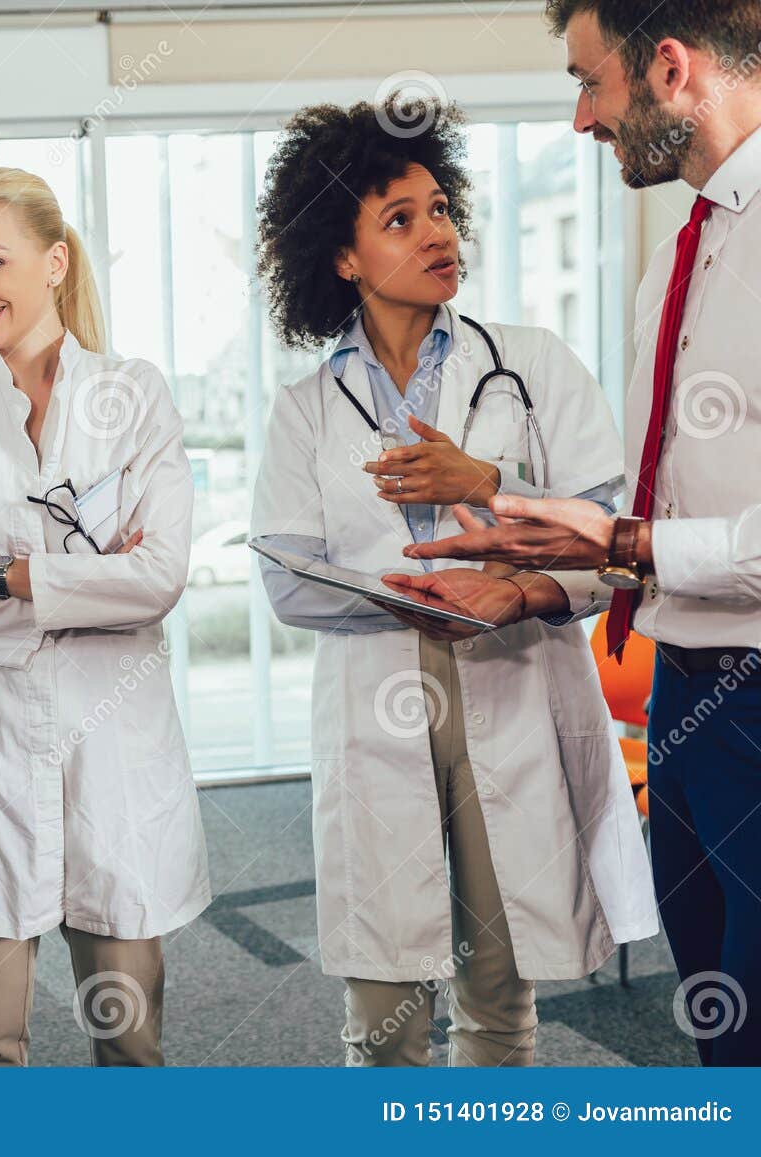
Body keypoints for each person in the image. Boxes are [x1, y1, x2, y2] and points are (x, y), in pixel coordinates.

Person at [249, 98, 657, 1066]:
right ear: (342, 258)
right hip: (379, 696)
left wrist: (496, 494)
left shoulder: (531, 366)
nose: (438, 232)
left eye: (440, 208)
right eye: (400, 218)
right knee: (382, 1009)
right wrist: (420, 591)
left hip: (514, 681)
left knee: (497, 993)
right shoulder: (306, 408)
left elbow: (614, 550)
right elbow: (288, 584)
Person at [408, 0, 761, 1066]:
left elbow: (652, 529)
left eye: (587, 82)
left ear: (666, 68)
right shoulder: (678, 263)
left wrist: (627, 543)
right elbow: (674, 496)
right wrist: (552, 541)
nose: (577, 119)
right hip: (685, 684)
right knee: (716, 1007)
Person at [0, 168, 208, 1067]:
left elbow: (158, 578)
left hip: (114, 758)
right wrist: (73, 587)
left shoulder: (134, 395)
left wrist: (0, 573)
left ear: (55, 262)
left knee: (131, 1049)